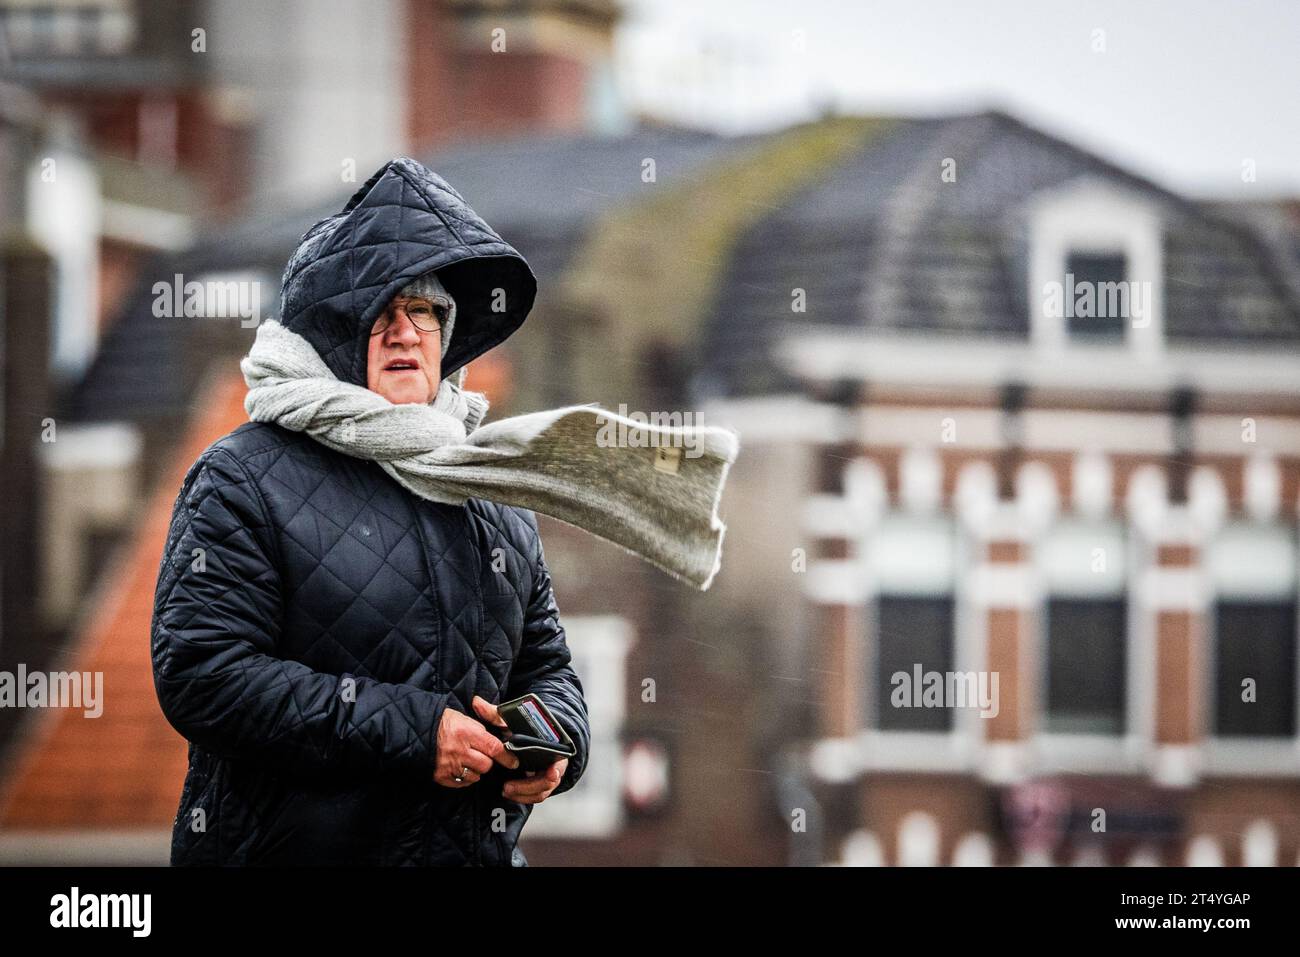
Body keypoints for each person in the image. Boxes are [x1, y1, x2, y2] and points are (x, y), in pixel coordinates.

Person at [150, 158, 589, 866]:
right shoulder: (242, 479)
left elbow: (548, 666)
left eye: (423, 312)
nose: (405, 332)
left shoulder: (490, 487)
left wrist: (559, 742)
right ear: (331, 341)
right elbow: (204, 674)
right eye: (378, 313)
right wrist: (418, 734)